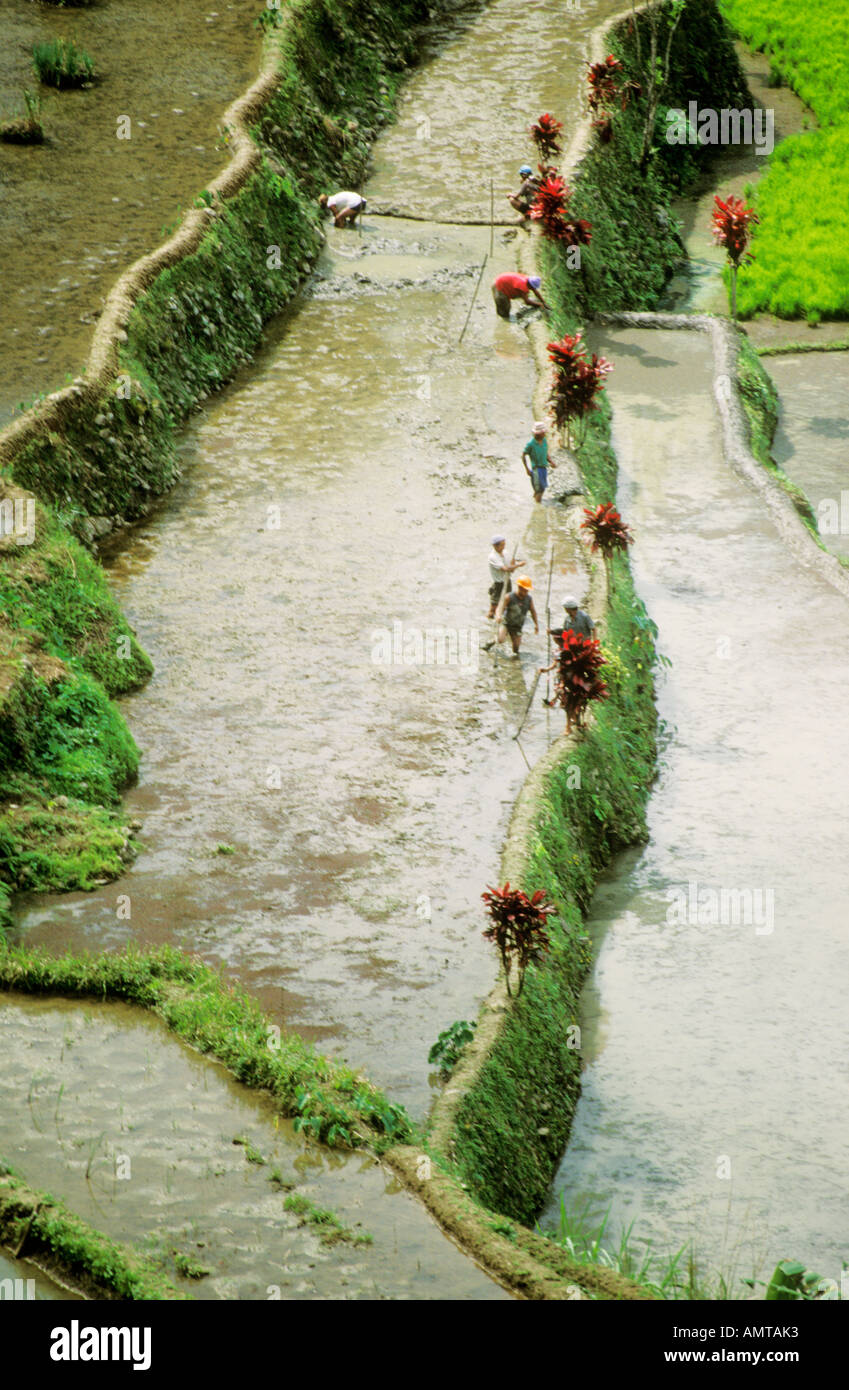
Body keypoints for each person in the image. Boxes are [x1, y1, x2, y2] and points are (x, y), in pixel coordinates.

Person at [494, 575, 538, 657]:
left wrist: (536, 625)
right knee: (500, 639)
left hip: (518, 626)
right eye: (525, 590)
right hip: (507, 623)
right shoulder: (509, 597)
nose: (526, 592)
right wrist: (498, 616)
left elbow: (533, 612)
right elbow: (500, 608)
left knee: (516, 649)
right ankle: (493, 641)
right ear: (519, 587)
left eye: (527, 591)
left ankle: (514, 663)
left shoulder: (529, 599)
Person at [487, 535, 523, 619]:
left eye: (504, 544)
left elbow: (510, 566)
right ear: (495, 546)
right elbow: (505, 568)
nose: (504, 547)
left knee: (506, 603)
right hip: (498, 584)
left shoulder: (505, 552)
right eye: (502, 545)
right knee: (493, 607)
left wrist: (514, 562)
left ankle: (501, 619)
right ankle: (490, 618)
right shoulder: (493, 557)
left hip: (507, 581)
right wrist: (518, 565)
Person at [522, 421, 555, 503]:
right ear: (537, 434)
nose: (544, 434)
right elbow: (523, 455)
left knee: (542, 489)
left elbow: (545, 452)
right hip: (536, 469)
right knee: (539, 489)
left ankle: (534, 501)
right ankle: (537, 507)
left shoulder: (544, 441)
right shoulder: (531, 444)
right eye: (543, 433)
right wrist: (527, 469)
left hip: (544, 468)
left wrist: (551, 461)